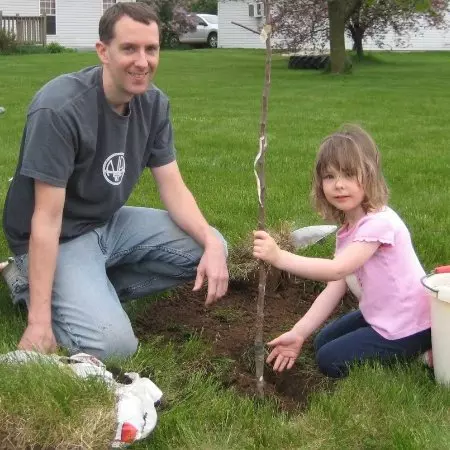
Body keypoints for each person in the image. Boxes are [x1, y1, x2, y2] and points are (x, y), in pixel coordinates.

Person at [1, 2, 228, 361]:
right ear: (103, 52)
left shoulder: (153, 105)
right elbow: (45, 219)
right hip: (57, 236)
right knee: (114, 346)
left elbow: (173, 187)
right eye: (129, 48)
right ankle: (28, 283)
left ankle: (91, 293)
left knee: (212, 246)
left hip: (107, 223)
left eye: (151, 49)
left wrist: (212, 245)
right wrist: (39, 322)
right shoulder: (59, 109)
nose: (143, 61)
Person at [253, 125, 431, 378]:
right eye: (329, 176)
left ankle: (423, 351)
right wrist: (298, 332)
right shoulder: (349, 230)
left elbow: (338, 269)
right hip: (381, 315)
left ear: (369, 175)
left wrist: (279, 257)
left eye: (349, 174)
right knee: (320, 341)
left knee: (330, 360)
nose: (338, 185)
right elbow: (335, 284)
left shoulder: (380, 223)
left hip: (409, 325)